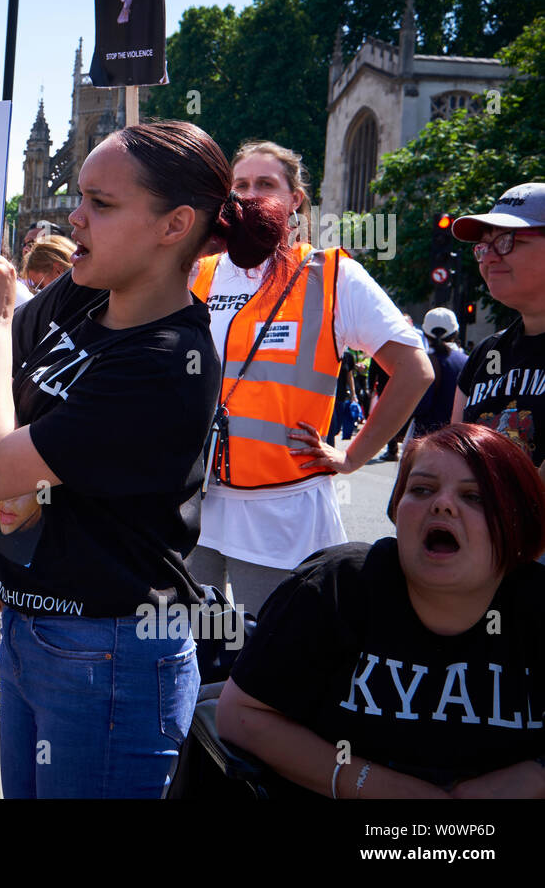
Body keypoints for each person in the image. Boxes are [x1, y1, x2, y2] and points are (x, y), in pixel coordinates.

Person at [0, 119, 263, 798]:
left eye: (101, 203)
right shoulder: (82, 293)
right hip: (33, 628)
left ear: (173, 225)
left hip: (109, 653)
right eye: (78, 196)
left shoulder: (167, 363)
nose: (73, 217)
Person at [218, 424, 545, 798]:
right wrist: (374, 785)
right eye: (421, 489)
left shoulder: (535, 606)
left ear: (518, 523)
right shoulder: (335, 587)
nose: (442, 504)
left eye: (474, 497)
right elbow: (239, 714)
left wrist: (534, 777)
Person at [186, 140, 432, 614]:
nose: (251, 195)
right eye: (241, 185)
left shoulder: (333, 275)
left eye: (266, 185)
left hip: (282, 512)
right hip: (195, 503)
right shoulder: (200, 272)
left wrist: (353, 456)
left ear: (295, 198)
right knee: (191, 655)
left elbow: (414, 370)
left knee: (272, 659)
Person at [451, 183, 545, 472]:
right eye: (483, 247)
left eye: (507, 241)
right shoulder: (486, 353)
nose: (489, 258)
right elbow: (453, 458)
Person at [409, 307, 468, 438]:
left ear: (425, 332)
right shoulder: (468, 361)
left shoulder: (421, 361)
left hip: (425, 437)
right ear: (455, 333)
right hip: (457, 438)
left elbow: (419, 406)